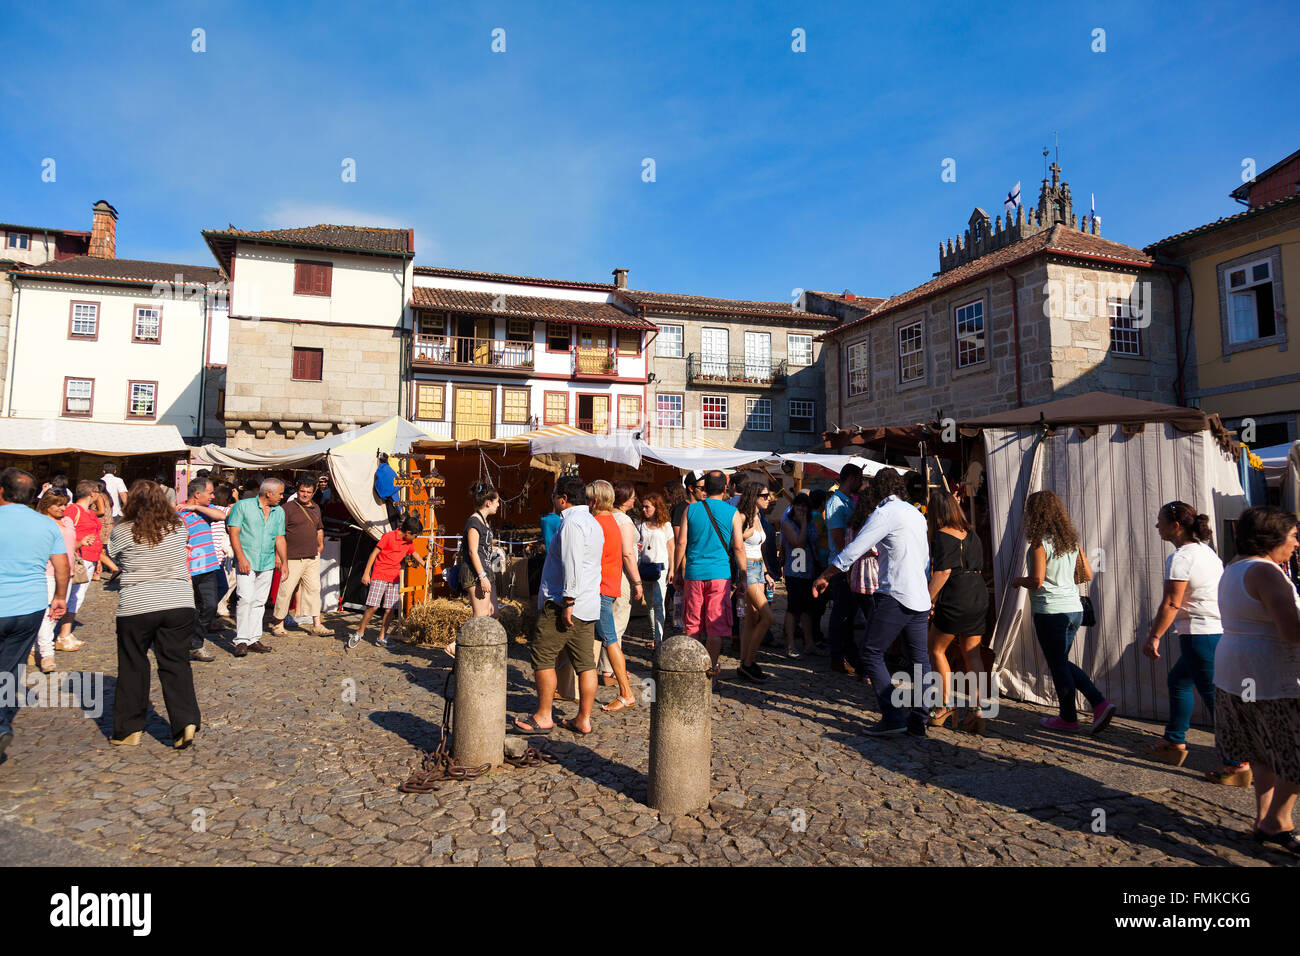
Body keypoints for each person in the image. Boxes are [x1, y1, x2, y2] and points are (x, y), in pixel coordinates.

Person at [812, 468, 933, 737]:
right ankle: (920, 718)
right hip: (919, 595)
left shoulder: (885, 512)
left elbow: (853, 550)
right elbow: (926, 558)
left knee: (871, 653)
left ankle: (892, 715)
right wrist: (927, 592)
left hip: (897, 594)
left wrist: (825, 575)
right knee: (919, 659)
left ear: (878, 488)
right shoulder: (915, 513)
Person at [1212, 507, 1300, 847]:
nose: (1296, 542)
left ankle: (1265, 816)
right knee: (1291, 751)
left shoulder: (1235, 566)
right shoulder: (1267, 573)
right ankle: (1276, 820)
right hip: (1268, 675)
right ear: (1273, 537)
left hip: (1237, 670)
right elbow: (1292, 631)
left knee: (1262, 749)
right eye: (1293, 535)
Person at [1139, 501, 1244, 779]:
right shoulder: (1205, 552)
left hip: (1200, 634)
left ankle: (1236, 762)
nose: (1156, 526)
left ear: (1175, 526)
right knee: (1179, 680)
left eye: (1160, 521)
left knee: (1215, 699)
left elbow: (1172, 603)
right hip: (1210, 631)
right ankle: (1174, 741)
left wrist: (1154, 636)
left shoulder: (1182, 557)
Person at [105, 480, 200, 749]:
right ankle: (185, 722)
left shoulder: (122, 531)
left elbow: (115, 558)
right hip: (178, 601)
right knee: (176, 663)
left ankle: (129, 729)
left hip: (137, 603)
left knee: (133, 665)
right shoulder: (178, 526)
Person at [1011, 489, 1115, 734]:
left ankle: (1083, 711)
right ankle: (1088, 709)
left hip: (1051, 611)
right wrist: (1064, 577)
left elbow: (1036, 580)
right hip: (1073, 610)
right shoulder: (1071, 543)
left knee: (1058, 664)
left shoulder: (1039, 544)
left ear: (1034, 515)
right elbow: (1087, 575)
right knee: (1061, 663)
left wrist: (1018, 581)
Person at [513, 475, 603, 736]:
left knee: (543, 658)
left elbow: (571, 565)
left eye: (554, 496)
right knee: (586, 664)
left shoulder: (573, 523)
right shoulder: (592, 522)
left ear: (563, 499)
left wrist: (569, 602)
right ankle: (583, 718)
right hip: (586, 603)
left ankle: (543, 716)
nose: (552, 500)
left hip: (564, 604)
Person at [0, 469, 68, 758]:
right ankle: (1, 722)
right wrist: (60, 597)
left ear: (2, 491)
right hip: (29, 606)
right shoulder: (47, 525)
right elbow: (62, 566)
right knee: (11, 667)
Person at [925, 489, 991, 734]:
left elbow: (942, 572)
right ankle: (977, 710)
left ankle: (944, 705)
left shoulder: (942, 535)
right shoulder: (972, 533)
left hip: (957, 595)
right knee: (972, 654)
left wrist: (927, 599)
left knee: (936, 648)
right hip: (977, 593)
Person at [673, 470, 744, 679]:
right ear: (725, 488)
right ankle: (710, 670)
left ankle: (693, 670)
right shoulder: (733, 513)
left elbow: (681, 543)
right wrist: (744, 575)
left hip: (694, 572)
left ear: (705, 487)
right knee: (715, 626)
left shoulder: (691, 510)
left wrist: (675, 570)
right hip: (720, 574)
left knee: (692, 623)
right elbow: (738, 547)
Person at [590, 481, 642, 713]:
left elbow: (622, 554)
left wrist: (637, 582)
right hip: (609, 584)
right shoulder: (614, 521)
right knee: (600, 637)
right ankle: (577, 686)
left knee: (610, 637)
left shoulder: (601, 522)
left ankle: (625, 692)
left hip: (601, 586)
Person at [226, 478, 286, 657]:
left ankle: (253, 638)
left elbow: (280, 538)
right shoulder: (242, 506)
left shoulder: (279, 511)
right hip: (247, 559)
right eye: (280, 493)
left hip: (266, 561)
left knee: (259, 601)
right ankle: (242, 639)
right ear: (269, 493)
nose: (282, 497)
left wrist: (284, 562)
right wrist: (240, 557)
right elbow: (234, 532)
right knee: (245, 598)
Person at [270, 475, 331, 637]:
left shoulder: (316, 508)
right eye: (302, 491)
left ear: (313, 492)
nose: (304, 494)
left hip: (311, 556)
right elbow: (279, 534)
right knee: (286, 590)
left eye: (308, 492)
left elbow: (319, 528)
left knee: (314, 590)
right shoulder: (287, 508)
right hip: (291, 557)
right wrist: (278, 556)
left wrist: (321, 544)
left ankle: (316, 624)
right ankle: (278, 624)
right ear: (297, 491)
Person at [350, 516, 422, 648]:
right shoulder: (388, 537)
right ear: (408, 533)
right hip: (380, 575)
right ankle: (360, 632)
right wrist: (366, 573)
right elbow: (373, 554)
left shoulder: (408, 542)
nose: (415, 539)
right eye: (415, 536)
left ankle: (382, 637)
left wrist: (424, 564)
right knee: (373, 606)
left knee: (390, 610)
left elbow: (414, 553)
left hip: (394, 578)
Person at [176, 477, 226, 662]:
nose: (213, 496)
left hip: (209, 566)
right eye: (210, 493)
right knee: (193, 609)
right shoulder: (178, 512)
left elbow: (222, 516)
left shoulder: (206, 510)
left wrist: (196, 507)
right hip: (189, 570)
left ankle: (194, 643)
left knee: (209, 606)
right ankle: (191, 645)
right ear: (197, 494)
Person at [32, 493, 82, 672]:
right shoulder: (40, 522)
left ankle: (35, 647)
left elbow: (71, 544)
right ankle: (47, 654)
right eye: (58, 505)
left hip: (66, 572)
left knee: (58, 612)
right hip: (47, 572)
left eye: (64, 505)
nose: (62, 508)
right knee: (48, 612)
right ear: (46, 505)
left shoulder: (67, 521)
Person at [824, 463, 864, 675]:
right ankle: (837, 657)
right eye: (859, 479)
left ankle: (847, 654)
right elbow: (839, 540)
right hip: (841, 567)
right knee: (841, 614)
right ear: (851, 478)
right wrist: (847, 567)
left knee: (848, 614)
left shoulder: (848, 502)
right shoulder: (836, 503)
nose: (861, 483)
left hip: (849, 566)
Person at [734, 481, 775, 681]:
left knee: (752, 618)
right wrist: (745, 534)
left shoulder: (758, 515)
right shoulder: (741, 516)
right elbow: (733, 542)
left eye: (768, 495)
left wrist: (766, 573)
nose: (769, 499)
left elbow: (758, 548)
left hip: (758, 567)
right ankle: (749, 663)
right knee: (768, 617)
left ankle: (744, 663)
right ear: (754, 496)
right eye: (765, 496)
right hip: (747, 568)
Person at [780, 493, 819, 658]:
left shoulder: (810, 523)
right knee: (793, 608)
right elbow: (799, 543)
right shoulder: (787, 523)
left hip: (808, 570)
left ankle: (809, 644)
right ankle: (791, 645)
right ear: (793, 507)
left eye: (804, 506)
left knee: (807, 609)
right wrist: (803, 524)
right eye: (798, 505)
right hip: (794, 571)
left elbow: (814, 543)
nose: (801, 509)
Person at [638, 492, 672, 649]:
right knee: (649, 604)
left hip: (661, 568)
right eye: (643, 506)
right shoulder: (639, 524)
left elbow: (671, 548)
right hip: (644, 566)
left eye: (648, 506)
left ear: (656, 507)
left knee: (659, 603)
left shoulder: (665, 526)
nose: (644, 509)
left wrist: (672, 569)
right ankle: (654, 636)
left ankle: (659, 638)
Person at [462, 484, 500, 618]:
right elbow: (473, 551)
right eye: (497, 502)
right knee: (482, 615)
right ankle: (465, 639)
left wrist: (496, 550)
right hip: (475, 572)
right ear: (488, 503)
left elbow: (482, 547)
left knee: (493, 613)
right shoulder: (474, 522)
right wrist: (482, 577)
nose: (498, 505)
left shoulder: (485, 522)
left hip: (486, 569)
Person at [211, 484, 237, 618]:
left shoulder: (209, 509)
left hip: (214, 553)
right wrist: (237, 499)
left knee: (219, 586)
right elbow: (237, 511)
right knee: (223, 585)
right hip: (217, 554)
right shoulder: (220, 510)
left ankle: (211, 613)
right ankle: (210, 613)